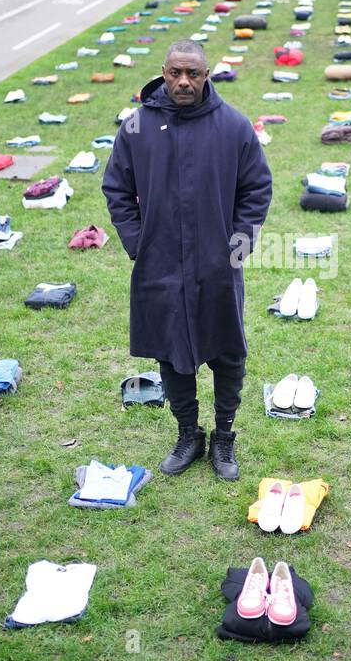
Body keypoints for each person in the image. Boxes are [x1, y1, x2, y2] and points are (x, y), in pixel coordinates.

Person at [102, 40, 272, 481]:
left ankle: (224, 436)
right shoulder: (137, 126)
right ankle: (187, 434)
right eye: (176, 72)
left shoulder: (233, 126)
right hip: (159, 263)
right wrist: (138, 242)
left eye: (193, 74)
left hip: (218, 263)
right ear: (163, 71)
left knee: (227, 351)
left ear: (207, 74)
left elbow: (257, 189)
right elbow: (117, 189)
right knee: (171, 350)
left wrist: (238, 244)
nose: (183, 82)